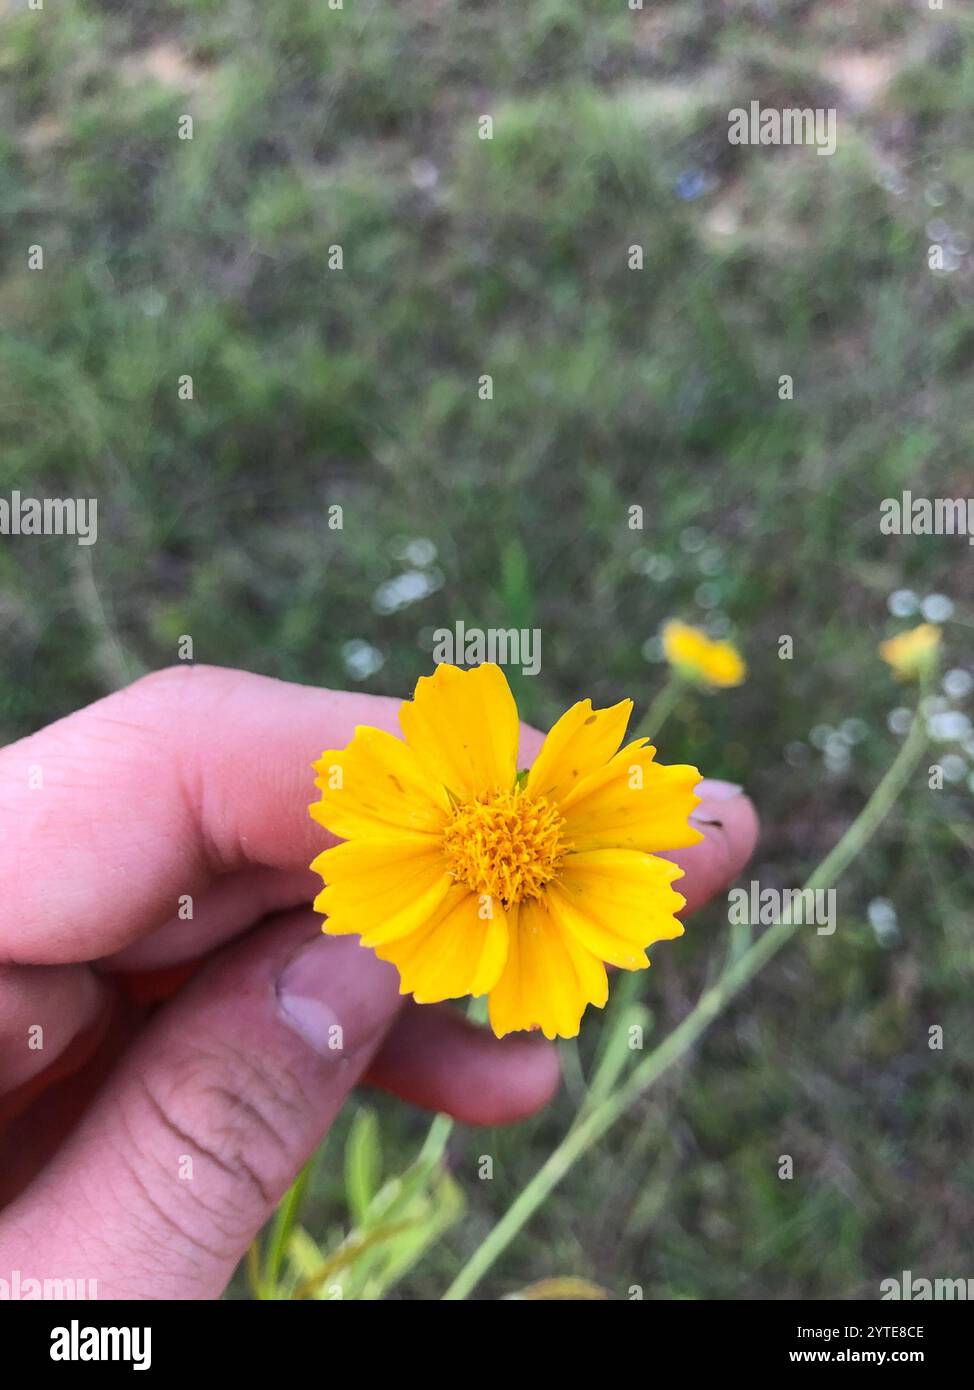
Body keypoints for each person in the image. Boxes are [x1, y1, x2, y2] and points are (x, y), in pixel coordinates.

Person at [0, 665, 758, 1298]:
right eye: (501, 829)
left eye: (512, 834)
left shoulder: (571, 864)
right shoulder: (410, 841)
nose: (508, 839)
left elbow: (622, 895)